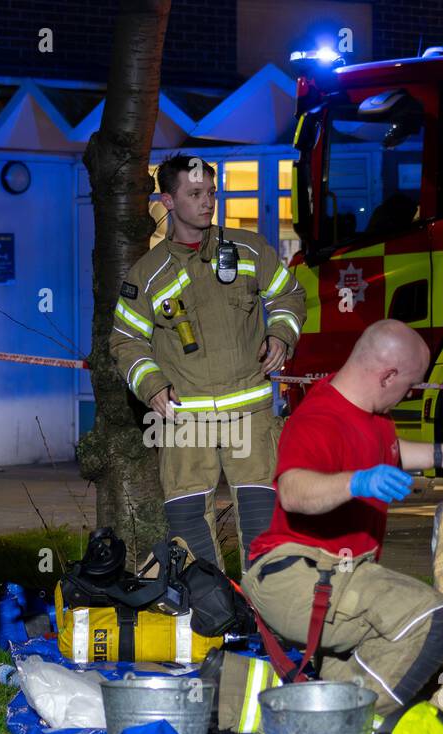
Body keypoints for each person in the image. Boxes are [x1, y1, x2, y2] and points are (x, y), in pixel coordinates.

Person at [205, 319, 443, 734]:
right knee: (430, 619)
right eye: (409, 384)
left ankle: (242, 698)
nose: (410, 393)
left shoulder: (374, 414)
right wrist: (357, 482)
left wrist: (442, 453)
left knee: (388, 662)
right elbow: (294, 492)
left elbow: (389, 449)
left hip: (339, 575)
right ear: (387, 375)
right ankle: (348, 732)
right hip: (296, 574)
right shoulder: (318, 417)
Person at [109, 153, 305, 571]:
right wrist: (153, 386)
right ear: (167, 201)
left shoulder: (250, 249)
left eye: (211, 193)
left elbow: (288, 295)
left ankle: (265, 621)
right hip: (184, 421)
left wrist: (281, 333)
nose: (207, 202)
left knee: (262, 527)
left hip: (249, 413)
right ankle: (212, 618)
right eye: (195, 194)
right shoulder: (146, 275)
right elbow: (125, 341)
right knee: (189, 531)